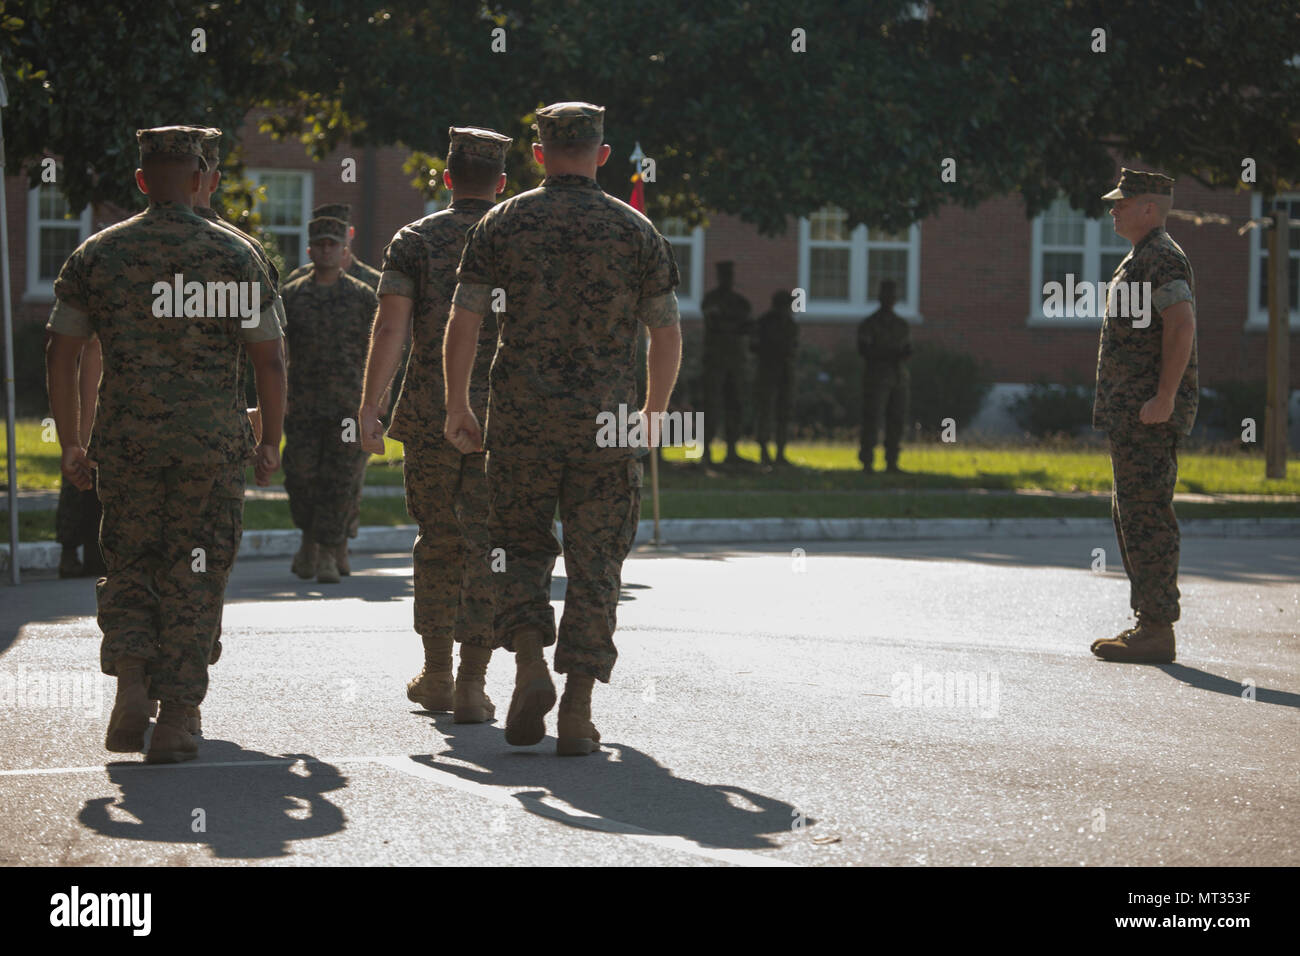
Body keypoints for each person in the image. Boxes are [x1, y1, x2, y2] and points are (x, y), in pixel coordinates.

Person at [443, 101, 682, 755]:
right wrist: (655, 413)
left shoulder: (502, 220)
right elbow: (666, 331)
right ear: (602, 154)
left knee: (517, 548)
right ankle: (576, 712)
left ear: (539, 153)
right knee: (597, 562)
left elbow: (463, 320)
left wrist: (458, 404)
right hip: (607, 424)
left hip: (522, 417)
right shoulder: (636, 230)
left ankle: (526, 663)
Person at [45, 126, 285, 764]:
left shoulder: (99, 254)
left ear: (143, 180)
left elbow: (63, 350)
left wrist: (72, 440)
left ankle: (130, 684)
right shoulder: (237, 257)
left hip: (125, 440)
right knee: (196, 573)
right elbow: (271, 363)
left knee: (131, 562)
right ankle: (177, 716)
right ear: (205, 178)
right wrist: (271, 441)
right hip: (210, 443)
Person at [360, 126, 511, 723]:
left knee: (438, 541)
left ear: (448, 177)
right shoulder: (517, 237)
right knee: (488, 545)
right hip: (504, 418)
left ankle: (439, 673)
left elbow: (391, 327)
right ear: (501, 184)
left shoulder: (414, 240)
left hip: (428, 413)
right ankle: (475, 682)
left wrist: (370, 405)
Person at [1089, 168, 1198, 664]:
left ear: (1149, 208)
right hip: (1132, 415)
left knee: (1148, 516)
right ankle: (1147, 623)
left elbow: (1181, 326)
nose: (1113, 209)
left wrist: (1165, 396)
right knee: (1131, 514)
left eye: (1122, 202)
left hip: (1150, 414)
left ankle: (1156, 628)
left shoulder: (1162, 259)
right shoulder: (1141, 258)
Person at [280, 214, 378, 584]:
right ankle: (310, 539)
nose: (325, 250)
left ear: (344, 250)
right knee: (301, 478)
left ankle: (325, 553)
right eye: (319, 244)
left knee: (339, 481)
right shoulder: (291, 296)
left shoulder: (361, 296)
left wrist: (377, 399)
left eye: (332, 244)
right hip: (302, 404)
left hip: (347, 406)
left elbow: (380, 347)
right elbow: (275, 353)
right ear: (309, 250)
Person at [54, 335, 104, 577]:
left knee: (88, 481)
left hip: (97, 408)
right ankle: (72, 552)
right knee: (82, 477)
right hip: (91, 408)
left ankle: (83, 554)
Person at [700, 260, 752, 465]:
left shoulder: (741, 302)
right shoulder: (711, 300)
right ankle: (706, 449)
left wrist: (728, 323)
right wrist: (734, 325)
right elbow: (714, 322)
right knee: (711, 404)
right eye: (724, 274)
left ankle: (732, 448)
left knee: (735, 404)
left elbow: (746, 326)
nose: (727, 278)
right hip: (715, 360)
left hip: (736, 361)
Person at [857, 279, 912, 473]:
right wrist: (887, 353)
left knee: (897, 419)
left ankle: (892, 461)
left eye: (893, 296)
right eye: (886, 296)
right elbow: (864, 350)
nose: (890, 300)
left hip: (898, 377)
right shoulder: (870, 324)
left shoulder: (901, 325)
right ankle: (867, 460)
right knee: (872, 418)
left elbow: (907, 349)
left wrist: (899, 354)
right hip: (877, 377)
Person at [751, 289, 799, 466]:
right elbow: (754, 345)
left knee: (784, 412)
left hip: (785, 372)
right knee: (766, 411)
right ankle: (764, 451)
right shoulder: (765, 323)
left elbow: (794, 347)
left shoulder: (791, 324)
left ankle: (780, 453)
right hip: (768, 371)